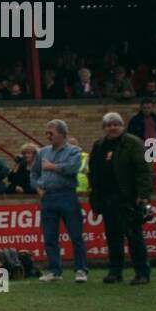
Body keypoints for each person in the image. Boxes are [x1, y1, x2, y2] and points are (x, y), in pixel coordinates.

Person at [87, 112, 152, 285]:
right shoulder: (99, 145)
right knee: (113, 238)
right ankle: (115, 272)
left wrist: (143, 195)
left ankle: (142, 272)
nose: (112, 127)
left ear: (122, 126)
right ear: (104, 128)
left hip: (129, 199)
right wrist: (95, 199)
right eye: (108, 125)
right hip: (108, 199)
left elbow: (143, 170)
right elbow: (93, 171)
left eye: (116, 124)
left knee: (134, 237)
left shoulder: (134, 143)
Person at [31, 119, 89, 283]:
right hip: (48, 197)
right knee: (50, 236)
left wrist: (53, 167)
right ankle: (54, 270)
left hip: (67, 195)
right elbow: (34, 173)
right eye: (47, 133)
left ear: (62, 134)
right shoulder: (42, 152)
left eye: (51, 133)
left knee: (76, 235)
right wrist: (38, 188)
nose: (48, 136)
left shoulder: (74, 151)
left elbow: (72, 168)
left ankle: (80, 269)